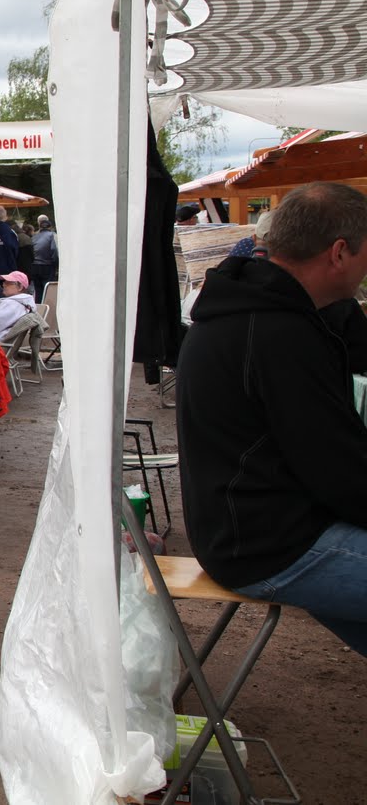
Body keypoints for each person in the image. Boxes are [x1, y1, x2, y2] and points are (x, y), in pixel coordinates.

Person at [176, 182, 367, 656]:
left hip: (260, 531)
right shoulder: (276, 334)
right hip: (271, 547)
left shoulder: (276, 307)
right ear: (339, 253)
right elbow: (341, 471)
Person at [31, 215, 59, 302]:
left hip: (34, 266)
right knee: (48, 290)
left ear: (39, 226)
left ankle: (38, 310)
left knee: (38, 291)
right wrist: (56, 264)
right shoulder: (52, 235)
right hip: (47, 266)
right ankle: (47, 310)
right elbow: (54, 249)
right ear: (50, 227)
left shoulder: (34, 236)